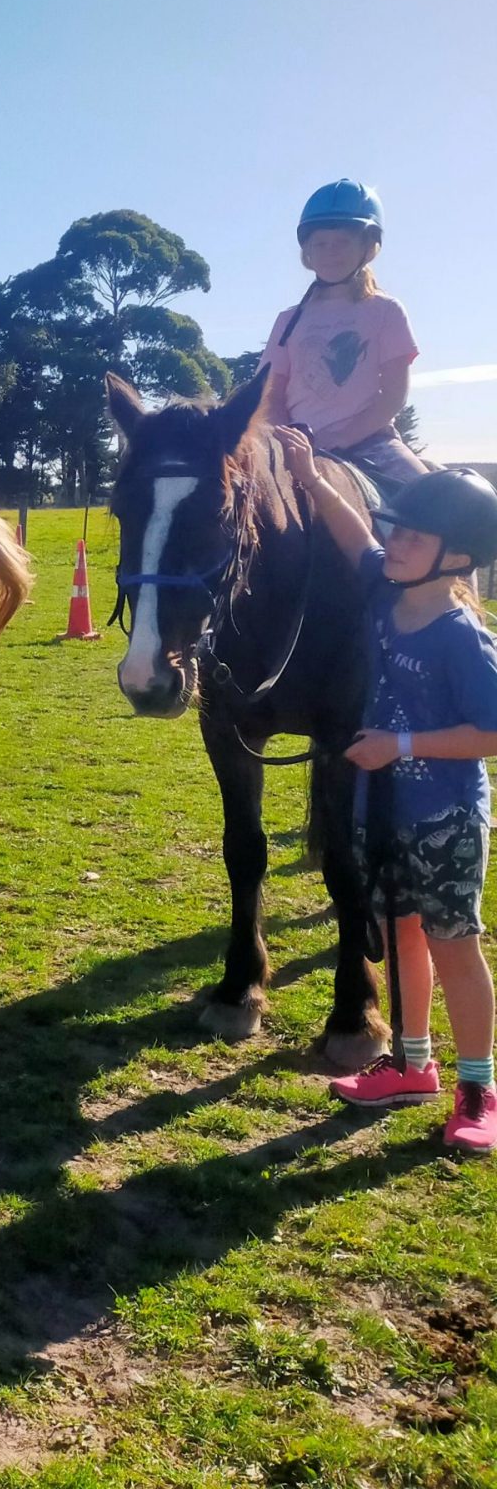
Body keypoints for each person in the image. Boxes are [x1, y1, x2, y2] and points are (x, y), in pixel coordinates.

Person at [278, 427, 497, 1153]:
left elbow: (492, 733)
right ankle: (412, 1065)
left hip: (444, 815)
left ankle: (477, 1090)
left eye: (414, 536)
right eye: (397, 528)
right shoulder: (385, 587)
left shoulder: (462, 637)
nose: (394, 541)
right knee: (401, 938)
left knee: (454, 944)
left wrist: (398, 746)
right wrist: (311, 477)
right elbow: (352, 535)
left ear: (457, 557)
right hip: (384, 808)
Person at [260, 180, 426, 485]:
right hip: (297, 445)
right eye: (320, 244)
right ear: (306, 251)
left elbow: (393, 395)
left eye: (343, 242)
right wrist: (288, 441)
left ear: (368, 247)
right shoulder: (288, 320)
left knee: (436, 505)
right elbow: (270, 395)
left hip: (371, 443)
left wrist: (340, 438)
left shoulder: (386, 311)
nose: (330, 252)